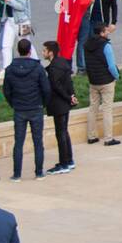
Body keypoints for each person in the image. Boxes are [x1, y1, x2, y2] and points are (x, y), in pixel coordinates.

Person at [2, 37, 49, 181]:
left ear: (18, 51)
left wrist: (14, 104)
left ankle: (17, 174)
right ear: (30, 51)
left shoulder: (10, 69)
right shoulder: (38, 68)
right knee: (38, 142)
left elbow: (7, 90)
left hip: (19, 109)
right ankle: (39, 172)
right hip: (35, 108)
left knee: (18, 143)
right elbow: (46, 89)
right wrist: (43, 104)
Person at [83, 22, 121, 147]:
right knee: (107, 109)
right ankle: (108, 138)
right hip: (106, 82)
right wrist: (117, 76)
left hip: (93, 81)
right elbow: (111, 65)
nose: (108, 32)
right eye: (106, 30)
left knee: (93, 108)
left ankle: (91, 136)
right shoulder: (106, 45)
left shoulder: (87, 45)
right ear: (101, 33)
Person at [43, 41, 77, 175]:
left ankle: (64, 163)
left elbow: (56, 86)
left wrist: (69, 97)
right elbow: (68, 82)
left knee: (61, 133)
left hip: (58, 104)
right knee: (64, 132)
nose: (43, 53)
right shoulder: (63, 63)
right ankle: (68, 160)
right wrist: (72, 95)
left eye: (45, 50)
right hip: (65, 104)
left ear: (51, 52)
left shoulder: (53, 68)